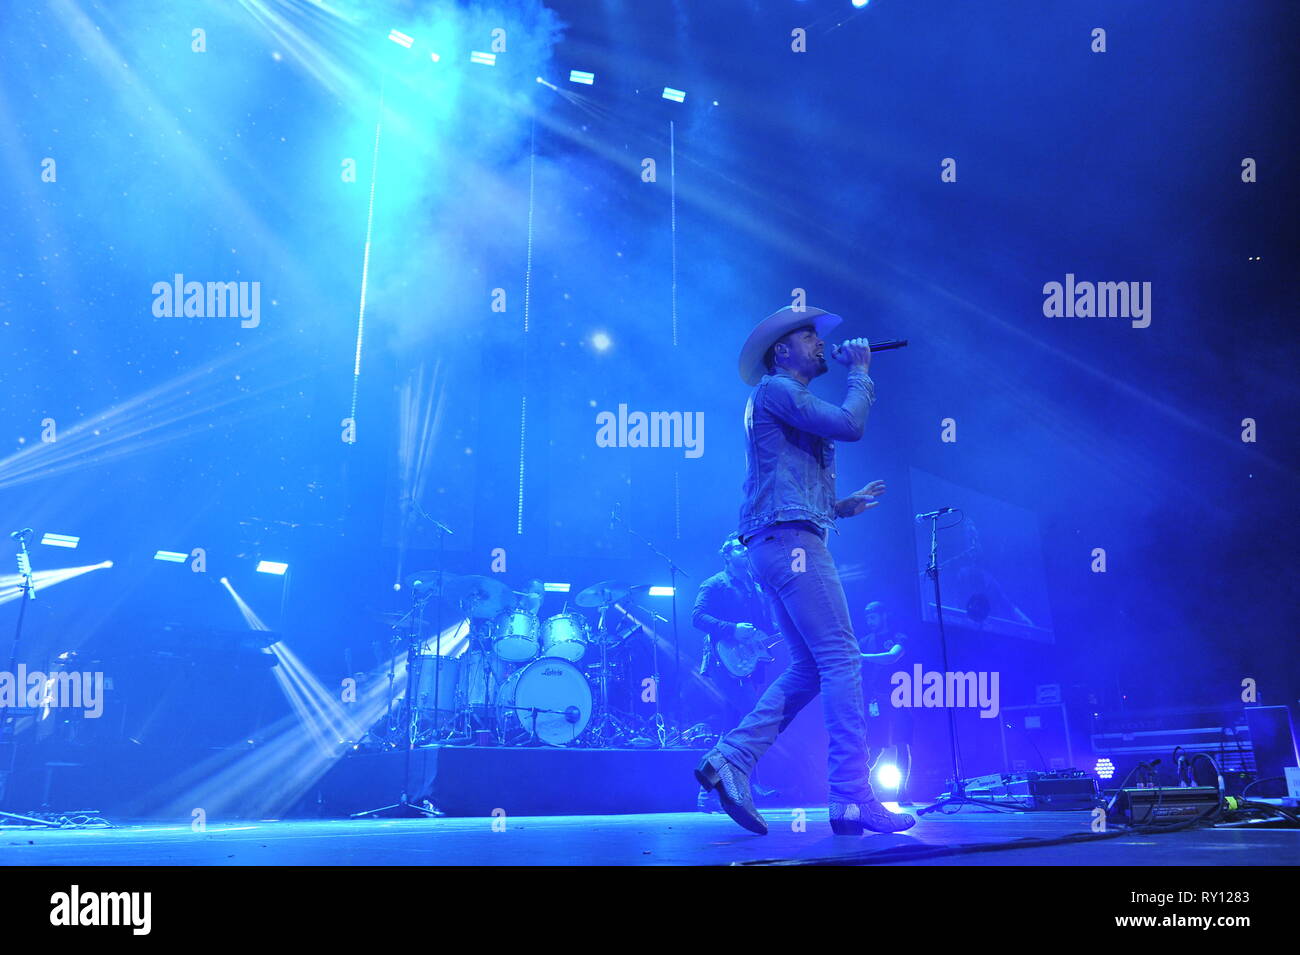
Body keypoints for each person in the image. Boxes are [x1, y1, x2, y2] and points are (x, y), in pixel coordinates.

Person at [694, 305, 915, 836]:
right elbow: (850, 424)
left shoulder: (779, 398)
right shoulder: (777, 389)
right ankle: (851, 795)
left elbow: (785, 476)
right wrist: (861, 371)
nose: (821, 345)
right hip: (792, 544)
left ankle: (732, 760)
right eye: (809, 337)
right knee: (842, 659)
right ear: (782, 351)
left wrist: (840, 506)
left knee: (809, 668)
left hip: (776, 541)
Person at [692, 533, 780, 811]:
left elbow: (766, 626)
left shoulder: (756, 587)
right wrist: (732, 629)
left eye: (747, 548)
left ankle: (720, 790)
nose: (745, 552)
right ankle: (720, 786)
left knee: (735, 725)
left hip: (751, 663)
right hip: (724, 663)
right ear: (727, 556)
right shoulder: (715, 584)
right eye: (739, 549)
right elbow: (697, 617)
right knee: (752, 718)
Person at [859, 601, 915, 805]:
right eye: (867, 618)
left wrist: (861, 656)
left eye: (873, 617)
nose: (869, 621)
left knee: (902, 742)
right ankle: (860, 788)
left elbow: (892, 657)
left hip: (899, 697)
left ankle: (903, 791)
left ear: (884, 615)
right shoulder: (864, 641)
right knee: (874, 745)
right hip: (875, 701)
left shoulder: (899, 637)